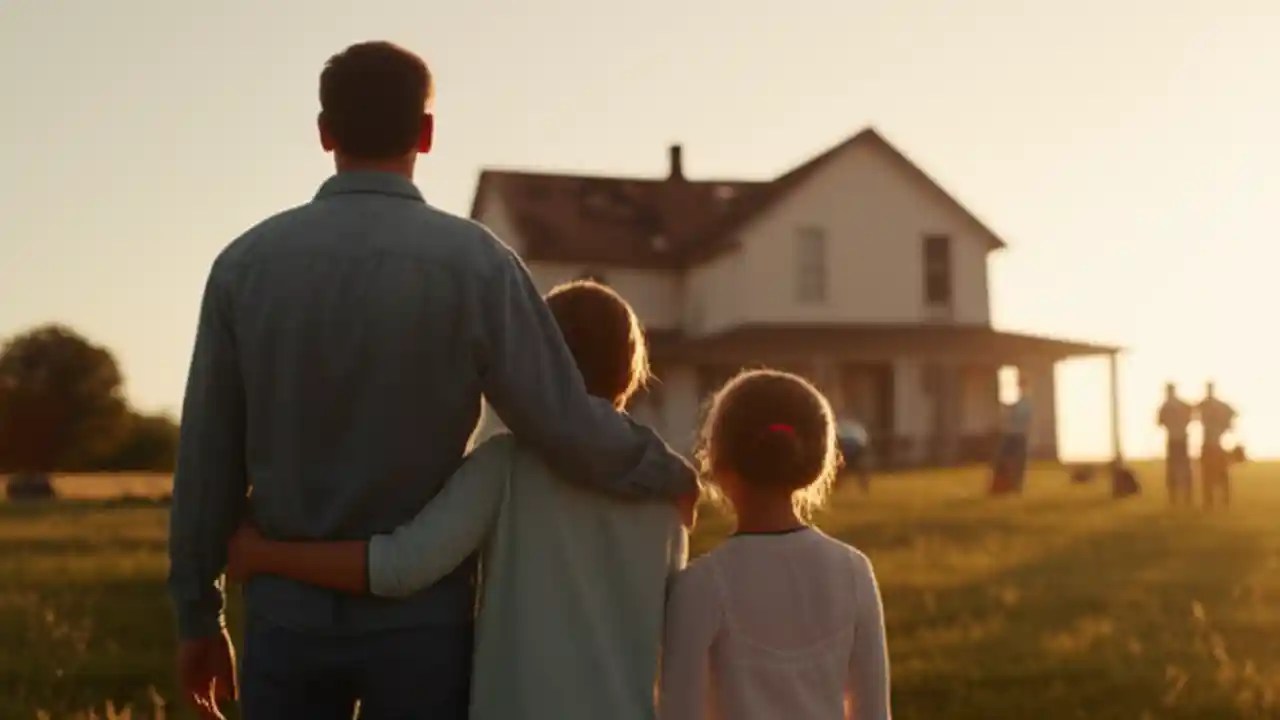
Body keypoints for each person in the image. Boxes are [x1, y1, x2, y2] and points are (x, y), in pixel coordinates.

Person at [167, 43, 696, 720]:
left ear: (324, 133)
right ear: (427, 133)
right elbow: (561, 420)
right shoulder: (478, 264)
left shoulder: (244, 266)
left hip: (285, 617)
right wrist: (663, 467)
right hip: (422, 629)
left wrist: (197, 614)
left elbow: (207, 456)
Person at [224, 281, 688, 720]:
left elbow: (402, 566)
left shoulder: (506, 465)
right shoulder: (671, 488)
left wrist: (265, 554)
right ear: (631, 370)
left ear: (536, 361)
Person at [659, 370, 891, 720]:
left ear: (717, 462)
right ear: (818, 463)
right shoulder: (854, 571)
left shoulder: (701, 586)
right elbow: (873, 713)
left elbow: (677, 713)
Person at [1197, 381, 1237, 509]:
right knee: (1218, 473)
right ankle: (1221, 499)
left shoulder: (1205, 404)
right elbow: (1233, 412)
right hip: (1215, 444)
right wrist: (1227, 425)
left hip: (1211, 444)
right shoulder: (1218, 405)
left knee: (1209, 474)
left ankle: (1212, 500)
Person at [991, 375, 1032, 495]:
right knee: (1008, 460)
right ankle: (1007, 485)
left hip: (1017, 435)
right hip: (1012, 434)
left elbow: (1022, 419)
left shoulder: (1025, 403)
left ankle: (1015, 485)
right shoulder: (1021, 403)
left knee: (1017, 461)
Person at [1156, 382, 1194, 505]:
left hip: (1173, 439)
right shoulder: (1183, 404)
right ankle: (1187, 496)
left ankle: (1174, 497)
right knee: (1185, 468)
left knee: (1172, 469)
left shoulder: (1165, 406)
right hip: (1182, 438)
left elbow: (1159, 422)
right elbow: (1191, 415)